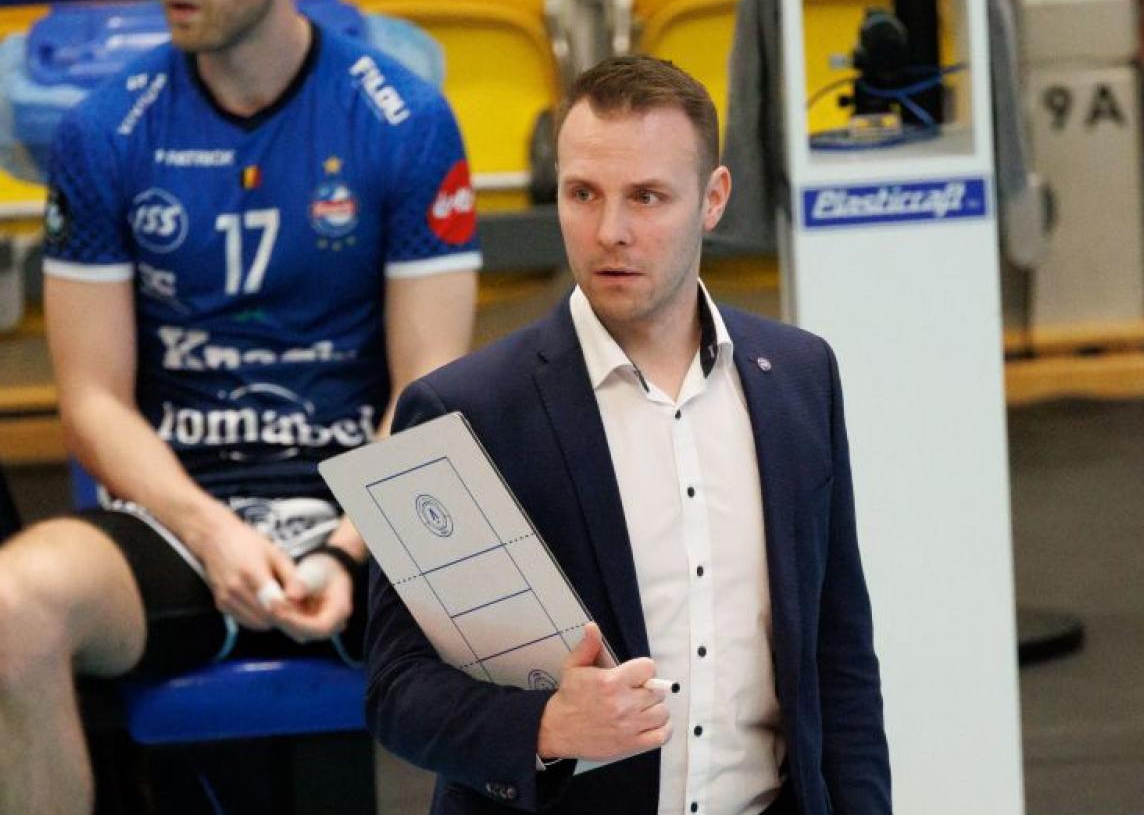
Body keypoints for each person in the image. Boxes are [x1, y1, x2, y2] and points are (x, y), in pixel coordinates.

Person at [0, 0, 480, 812]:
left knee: (497, 607)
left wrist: (347, 551)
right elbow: (92, 401)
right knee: (13, 605)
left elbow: (428, 391)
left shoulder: (405, 120)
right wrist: (211, 533)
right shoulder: (104, 130)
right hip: (176, 513)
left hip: (366, 505)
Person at [366, 55, 890, 815]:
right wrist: (544, 726)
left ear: (714, 199)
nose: (610, 232)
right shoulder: (462, 411)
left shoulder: (801, 378)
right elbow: (397, 687)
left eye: (647, 197)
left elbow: (839, 662)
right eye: (583, 194)